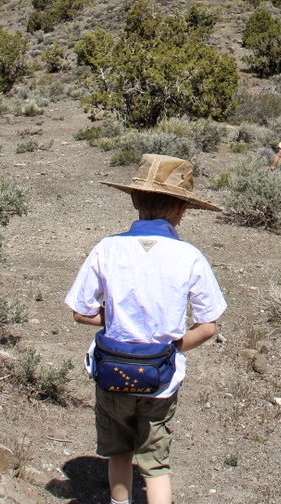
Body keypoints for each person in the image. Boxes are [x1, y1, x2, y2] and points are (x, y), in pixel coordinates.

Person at [65, 154, 227, 504]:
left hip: (112, 372)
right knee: (155, 464)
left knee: (118, 452)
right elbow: (208, 325)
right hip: (161, 377)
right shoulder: (190, 257)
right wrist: (173, 348)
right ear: (183, 208)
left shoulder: (107, 248)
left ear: (135, 199)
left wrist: (112, 320)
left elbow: (80, 312)